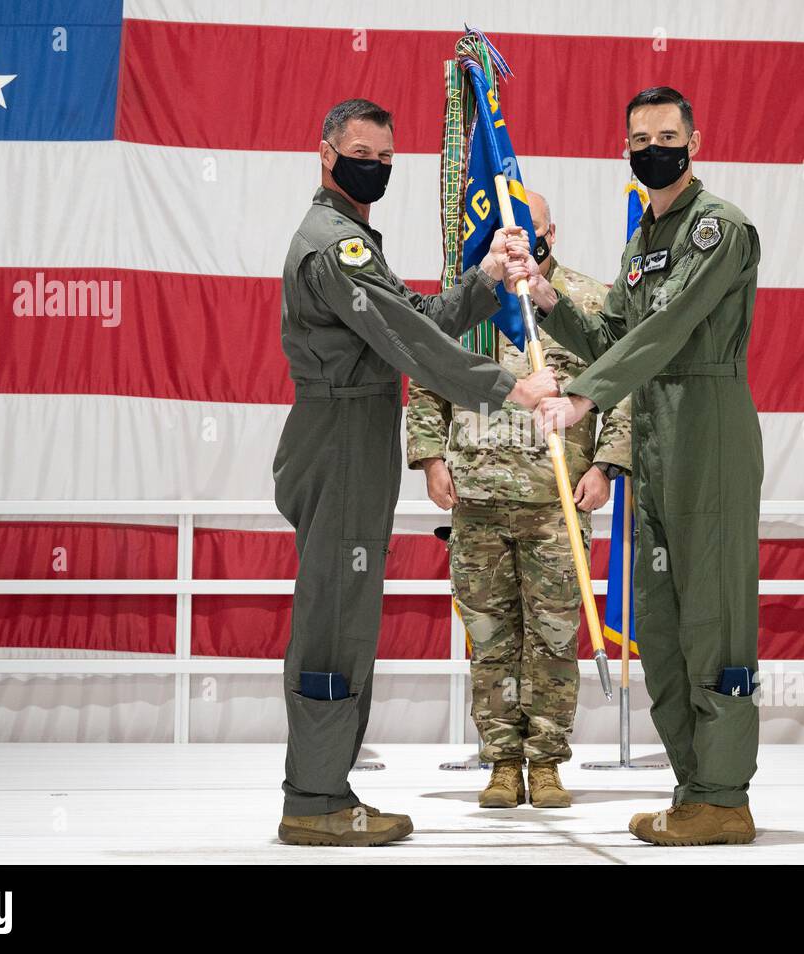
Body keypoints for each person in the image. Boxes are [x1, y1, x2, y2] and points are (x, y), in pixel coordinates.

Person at [272, 98, 557, 847]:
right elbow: (409, 341)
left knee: (347, 609)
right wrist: (506, 388)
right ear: (327, 152)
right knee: (337, 617)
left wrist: (488, 278)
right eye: (362, 152)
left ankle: (324, 787)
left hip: (352, 431)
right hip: (339, 436)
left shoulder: (353, 239)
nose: (375, 166)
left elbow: (413, 319)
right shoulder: (336, 246)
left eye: (388, 158)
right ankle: (315, 797)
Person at [519, 87, 764, 846]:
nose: (652, 145)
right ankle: (694, 791)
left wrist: (586, 398)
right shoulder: (643, 242)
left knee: (712, 619)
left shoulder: (719, 229)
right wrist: (547, 295)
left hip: (708, 429)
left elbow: (669, 327)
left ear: (695, 139)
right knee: (660, 624)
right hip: (656, 428)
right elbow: (611, 333)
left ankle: (725, 794)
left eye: (666, 134)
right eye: (639, 136)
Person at [407, 191, 632, 809]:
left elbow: (620, 383)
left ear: (549, 234)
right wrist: (430, 460)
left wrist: (608, 466)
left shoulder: (583, 301)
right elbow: (425, 380)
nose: (513, 246)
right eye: (502, 234)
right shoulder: (467, 305)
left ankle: (549, 762)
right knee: (492, 640)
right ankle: (503, 762)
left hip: (555, 503)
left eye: (526, 234)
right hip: (476, 502)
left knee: (555, 642)